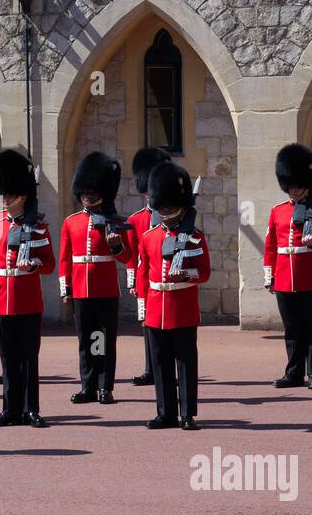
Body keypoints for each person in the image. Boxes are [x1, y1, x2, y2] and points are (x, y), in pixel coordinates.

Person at [0, 148, 56, 428]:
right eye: (4, 195)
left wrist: (34, 264)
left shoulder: (38, 226)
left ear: (22, 196)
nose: (5, 200)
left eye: (10, 195)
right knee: (7, 359)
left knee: (28, 359)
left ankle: (30, 410)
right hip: (1, 299)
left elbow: (49, 264)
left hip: (27, 300)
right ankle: (9, 410)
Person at [135, 160, 210, 431]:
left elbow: (204, 273)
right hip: (156, 307)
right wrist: (143, 308)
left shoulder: (195, 237)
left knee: (186, 364)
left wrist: (186, 275)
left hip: (183, 307)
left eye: (170, 205)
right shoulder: (149, 237)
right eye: (162, 205)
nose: (165, 210)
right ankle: (165, 413)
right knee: (160, 364)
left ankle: (187, 414)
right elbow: (143, 275)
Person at [59, 152, 135, 405]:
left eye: (93, 193)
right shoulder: (71, 222)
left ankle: (105, 386)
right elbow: (65, 259)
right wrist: (65, 288)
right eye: (85, 193)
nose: (89, 197)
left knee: (103, 339)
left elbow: (127, 258)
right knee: (86, 341)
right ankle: (87, 386)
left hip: (105, 289)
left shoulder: (114, 221)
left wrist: (115, 247)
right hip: (80, 289)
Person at [264, 143, 312, 390]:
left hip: (310, 277)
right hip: (284, 277)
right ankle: (294, 373)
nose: (293, 190)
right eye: (290, 185)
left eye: (297, 185)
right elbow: (271, 246)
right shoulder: (277, 212)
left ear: (306, 184)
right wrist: (269, 275)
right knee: (292, 329)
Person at [127, 147, 172, 386]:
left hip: (165, 278)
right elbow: (133, 255)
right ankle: (150, 369)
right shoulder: (136, 219)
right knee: (147, 326)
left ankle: (167, 370)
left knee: (170, 326)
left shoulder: (173, 218)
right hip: (145, 280)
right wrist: (132, 281)